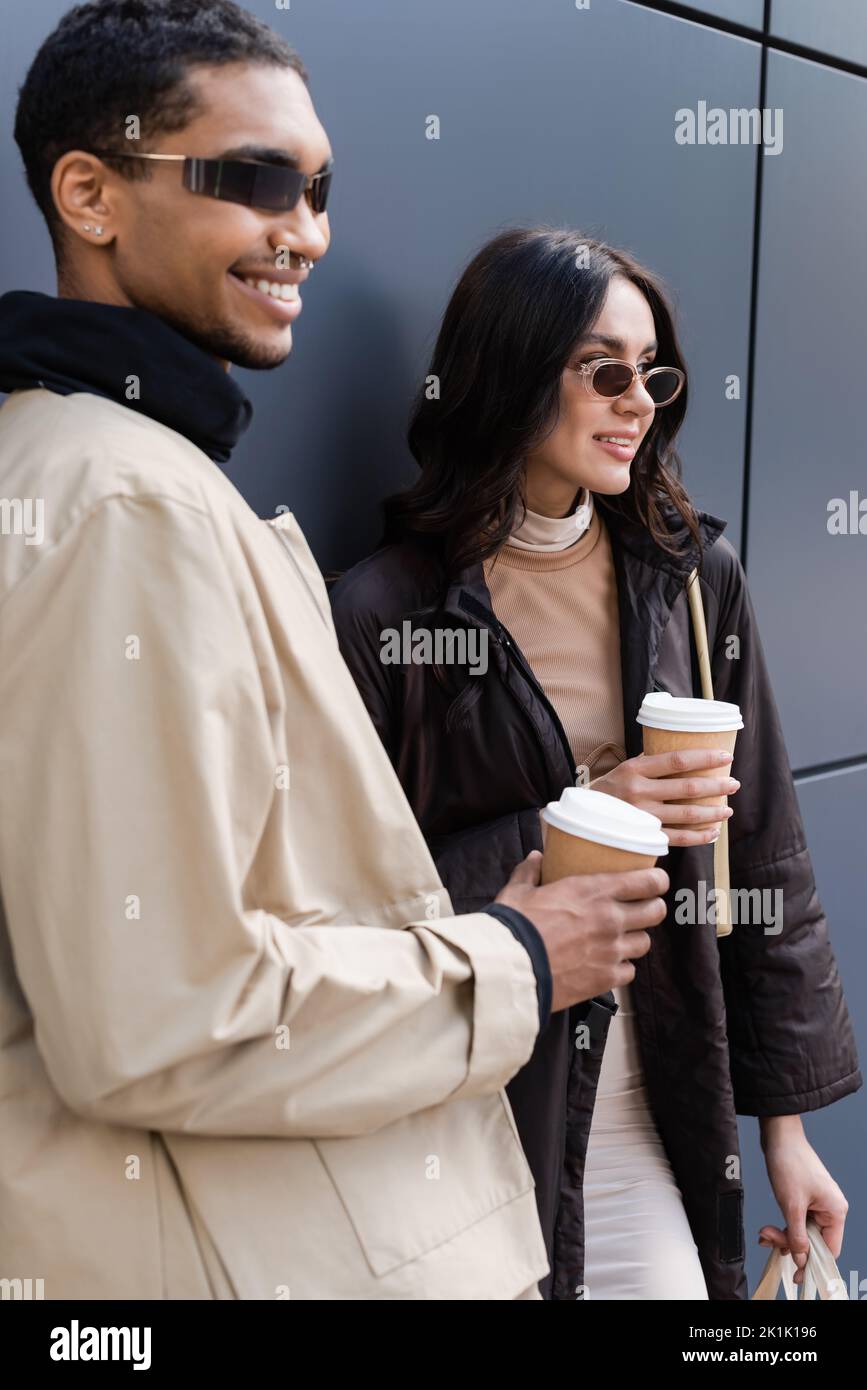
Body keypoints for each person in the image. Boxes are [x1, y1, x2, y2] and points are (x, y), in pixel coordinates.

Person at [0, 2, 671, 1301]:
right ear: (89, 192)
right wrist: (522, 956)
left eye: (316, 188)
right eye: (251, 180)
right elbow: (161, 1023)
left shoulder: (95, 472)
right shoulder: (127, 503)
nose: (302, 230)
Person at [330, 226, 862, 1299]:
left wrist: (784, 1131)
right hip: (469, 1114)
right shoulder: (385, 608)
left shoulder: (689, 577)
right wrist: (578, 814)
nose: (640, 402)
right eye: (603, 371)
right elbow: (346, 908)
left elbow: (762, 858)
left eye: (653, 374)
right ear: (515, 370)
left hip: (650, 1104)